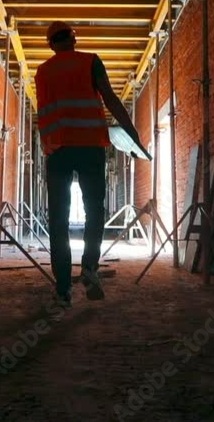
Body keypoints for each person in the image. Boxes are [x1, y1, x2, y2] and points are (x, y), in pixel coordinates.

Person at [35, 21, 145, 307]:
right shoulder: (90, 62)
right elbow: (109, 98)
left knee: (58, 218)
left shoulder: (43, 71)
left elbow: (45, 112)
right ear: (74, 39)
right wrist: (130, 131)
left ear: (50, 44)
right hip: (90, 146)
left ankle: (62, 290)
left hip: (57, 150)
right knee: (94, 210)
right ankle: (89, 268)